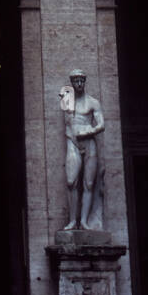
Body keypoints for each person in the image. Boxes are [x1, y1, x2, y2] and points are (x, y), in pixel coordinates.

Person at [61, 68, 105, 231]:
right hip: (73, 142)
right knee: (71, 181)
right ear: (72, 83)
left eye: (82, 81)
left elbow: (101, 124)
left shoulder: (93, 102)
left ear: (85, 82)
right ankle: (73, 220)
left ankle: (84, 221)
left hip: (89, 142)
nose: (79, 84)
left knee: (89, 183)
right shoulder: (67, 101)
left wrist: (88, 131)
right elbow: (68, 123)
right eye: (76, 81)